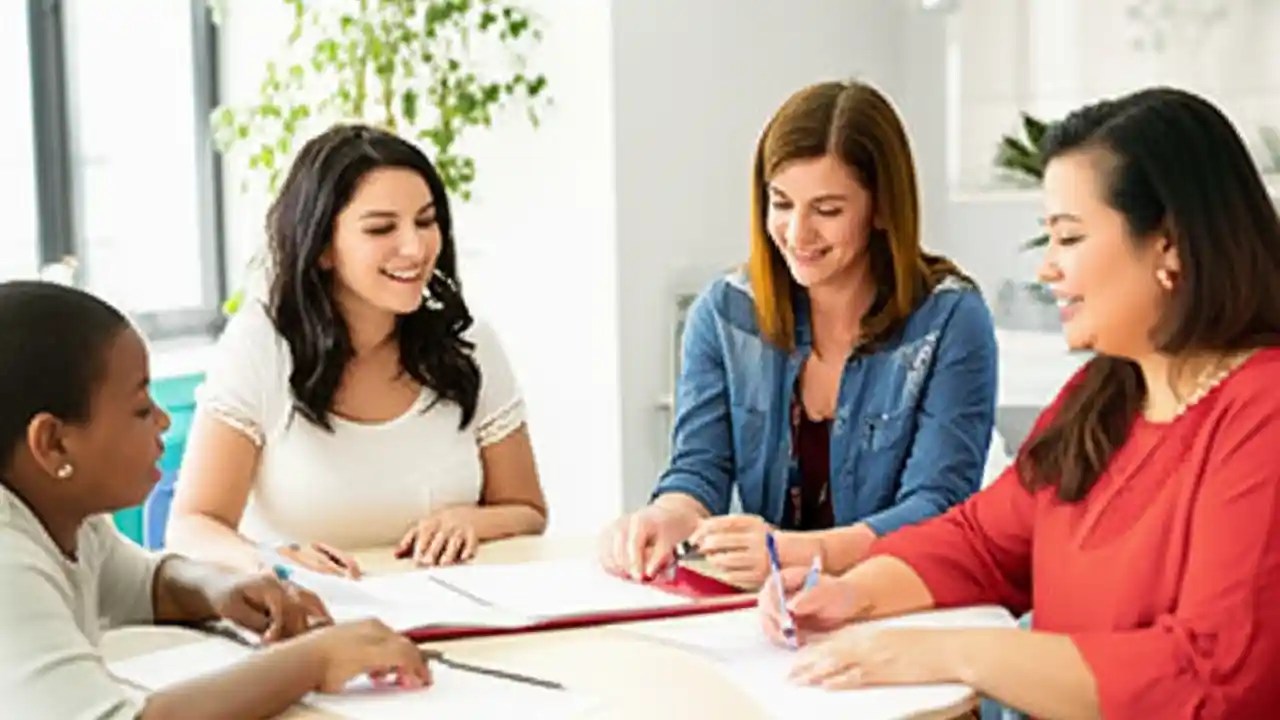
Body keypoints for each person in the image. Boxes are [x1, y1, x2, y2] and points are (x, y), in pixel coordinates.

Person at [758, 87, 1280, 720]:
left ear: (1169, 243)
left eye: (1069, 238)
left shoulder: (1263, 414)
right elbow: (982, 541)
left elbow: (1211, 678)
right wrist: (850, 593)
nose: (1047, 270)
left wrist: (953, 654)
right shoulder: (1104, 397)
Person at [600, 79, 998, 588]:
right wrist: (666, 516)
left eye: (827, 210)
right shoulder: (724, 314)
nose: (797, 233)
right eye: (782, 203)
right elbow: (699, 468)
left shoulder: (951, 321)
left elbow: (938, 504)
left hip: (894, 598)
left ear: (882, 207)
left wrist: (806, 553)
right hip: (768, 608)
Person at [0, 281, 431, 719]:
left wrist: (218, 588)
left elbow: (145, 584)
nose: (163, 421)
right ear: (53, 444)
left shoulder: (69, 520)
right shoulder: (8, 561)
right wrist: (314, 660)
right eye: (141, 409)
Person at [167, 124, 547, 577]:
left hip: (448, 606)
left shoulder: (469, 343)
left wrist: (472, 521)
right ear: (323, 248)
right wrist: (270, 561)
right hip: (306, 610)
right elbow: (192, 526)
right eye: (381, 228)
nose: (415, 247)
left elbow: (527, 509)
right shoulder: (261, 345)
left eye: (426, 221)